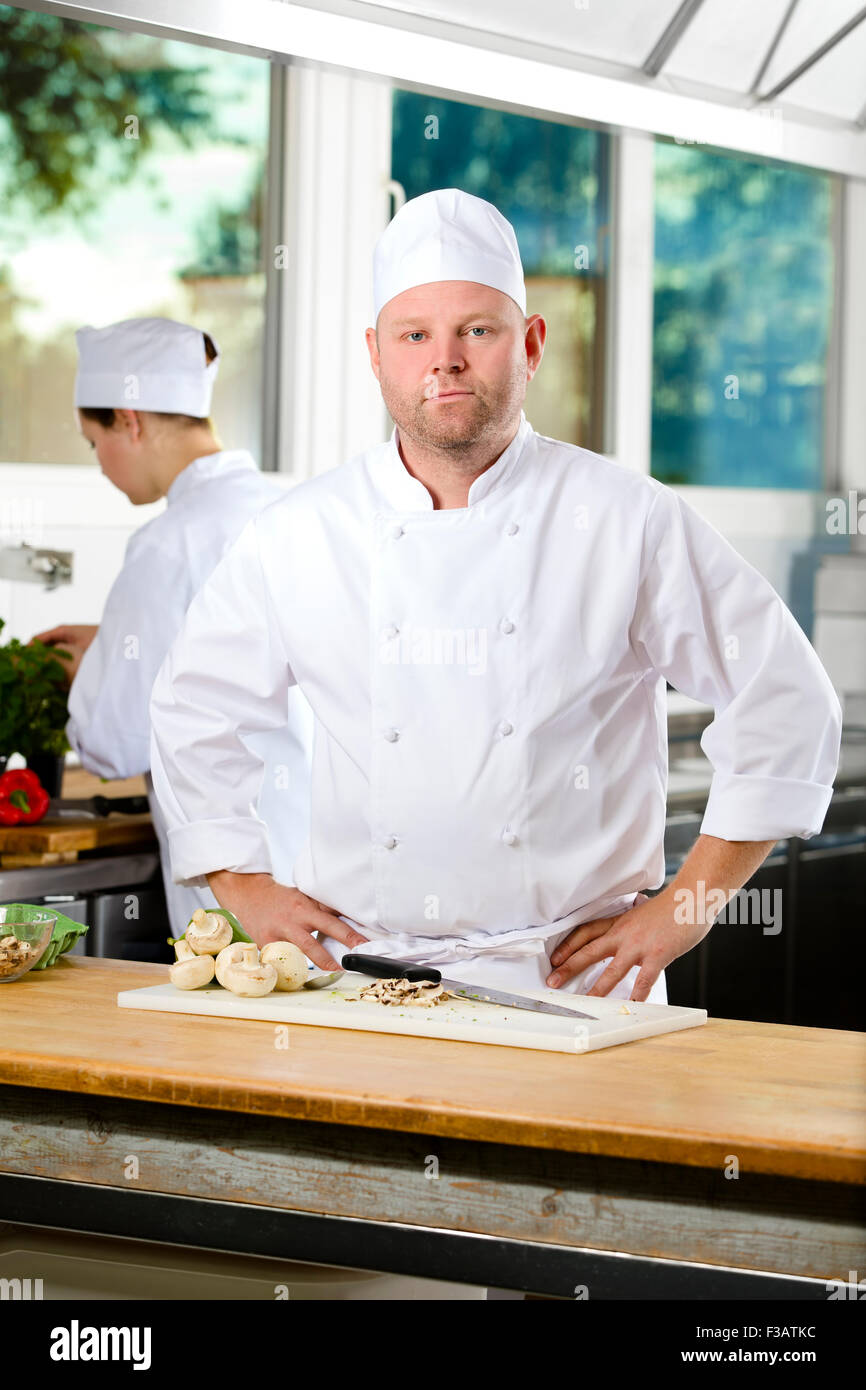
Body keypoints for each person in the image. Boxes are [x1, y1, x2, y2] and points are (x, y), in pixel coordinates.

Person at [148, 191, 841, 1003]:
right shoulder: (298, 532)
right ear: (376, 355)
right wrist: (245, 888)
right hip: (361, 978)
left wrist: (684, 910)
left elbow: (786, 698)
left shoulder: (627, 517)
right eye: (415, 335)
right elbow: (194, 709)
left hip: (575, 983)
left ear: (532, 343)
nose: (444, 359)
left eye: (478, 330)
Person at [33, 316, 312, 938]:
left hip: (240, 878)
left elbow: (116, 741)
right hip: (327, 856)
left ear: (129, 420)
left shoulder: (167, 544)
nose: (100, 464)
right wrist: (115, 643)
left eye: (92, 441)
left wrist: (87, 672)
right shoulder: (289, 511)